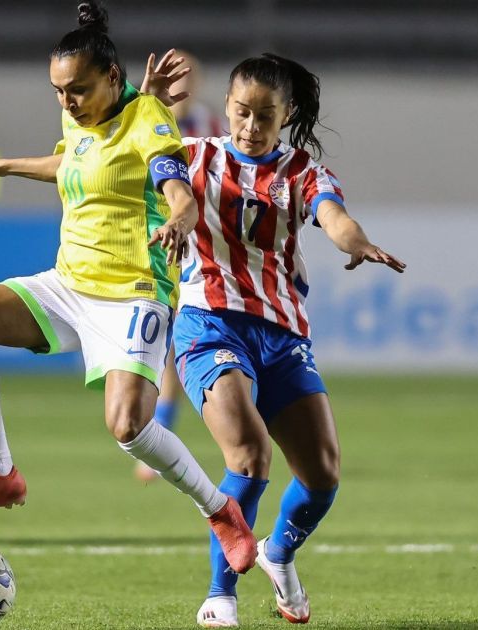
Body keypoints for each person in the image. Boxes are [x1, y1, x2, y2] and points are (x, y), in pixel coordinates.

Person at [0, 0, 257, 578]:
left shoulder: (149, 119)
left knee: (127, 426)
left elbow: (176, 187)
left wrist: (180, 218)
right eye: (58, 90)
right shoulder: (82, 118)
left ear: (112, 78)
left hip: (134, 291)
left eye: (76, 90)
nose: (66, 101)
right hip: (67, 284)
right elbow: (70, 165)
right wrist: (0, 165)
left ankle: (219, 509)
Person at [145, 52, 405, 627]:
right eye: (241, 112)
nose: (250, 127)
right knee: (249, 455)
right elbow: (145, 174)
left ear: (285, 115)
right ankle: (219, 597)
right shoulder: (195, 157)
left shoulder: (302, 172)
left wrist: (354, 241)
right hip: (209, 322)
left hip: (283, 333)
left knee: (322, 476)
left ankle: (277, 554)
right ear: (228, 108)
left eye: (265, 116)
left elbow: (333, 215)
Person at [135, 49, 228, 484]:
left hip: (189, 240)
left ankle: (158, 438)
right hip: (146, 234)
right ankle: (153, 436)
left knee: (172, 344)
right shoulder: (143, 116)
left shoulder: (208, 126)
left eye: (187, 75)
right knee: (159, 348)